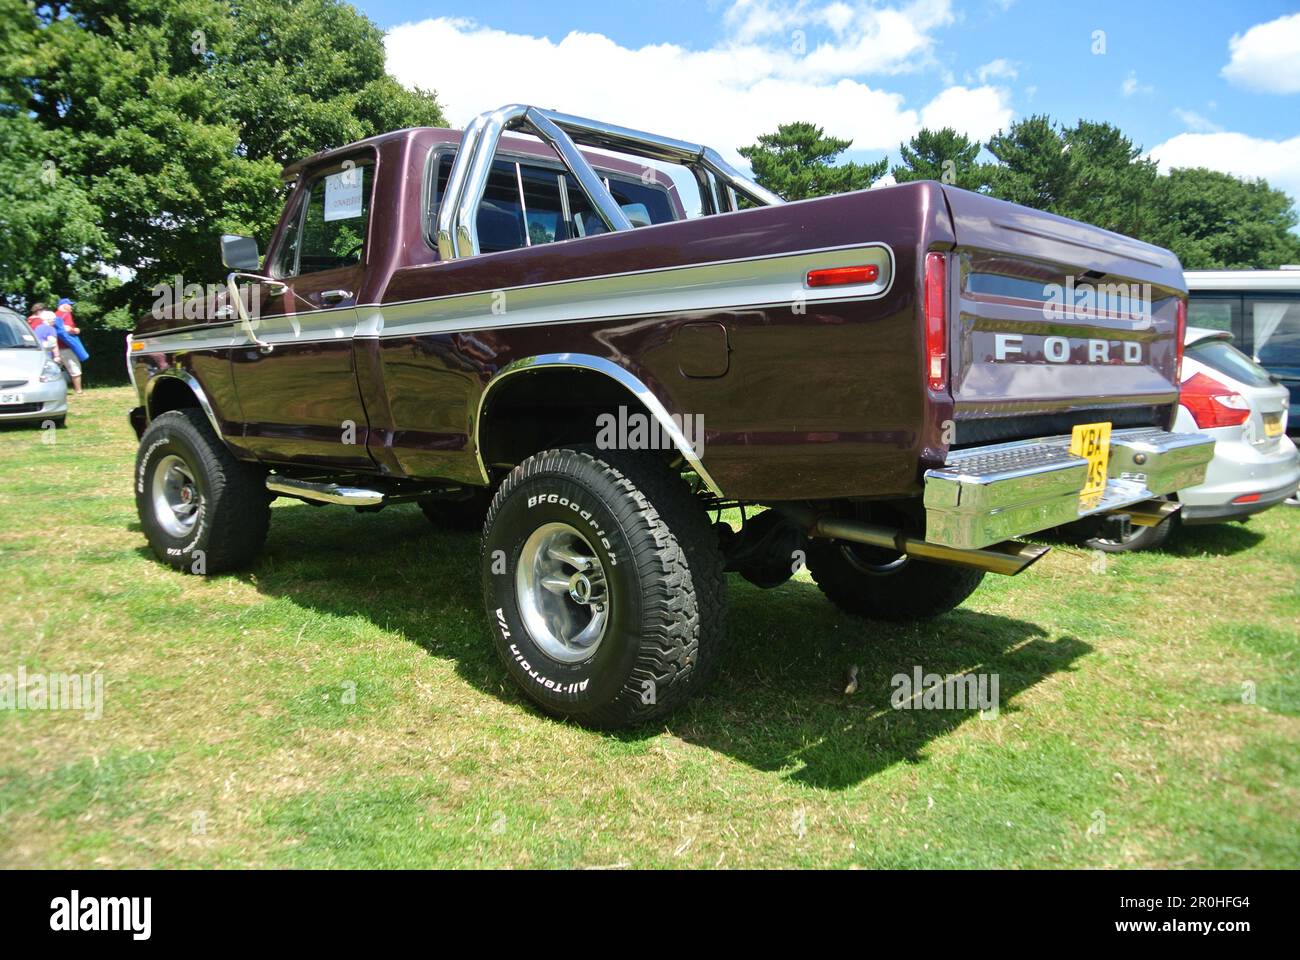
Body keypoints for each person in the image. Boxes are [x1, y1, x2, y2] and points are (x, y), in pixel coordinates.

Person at [52, 298, 87, 395]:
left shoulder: (54, 315)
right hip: (66, 347)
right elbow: (66, 329)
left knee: (54, 370)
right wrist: (75, 330)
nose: (71, 307)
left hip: (54, 347)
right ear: (63, 306)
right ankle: (78, 390)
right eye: (70, 305)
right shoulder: (66, 315)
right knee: (75, 368)